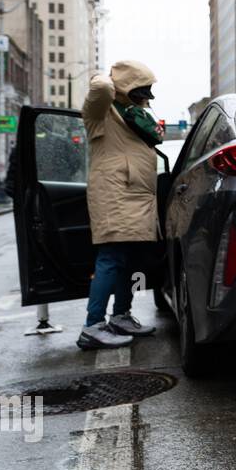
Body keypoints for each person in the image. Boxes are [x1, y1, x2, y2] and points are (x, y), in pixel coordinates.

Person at [77, 61, 162, 350]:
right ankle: (93, 325)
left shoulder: (134, 115)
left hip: (136, 197)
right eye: (139, 92)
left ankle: (121, 316)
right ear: (125, 90)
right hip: (115, 195)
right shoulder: (100, 114)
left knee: (126, 261)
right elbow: (101, 86)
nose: (144, 99)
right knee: (111, 258)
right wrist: (111, 78)